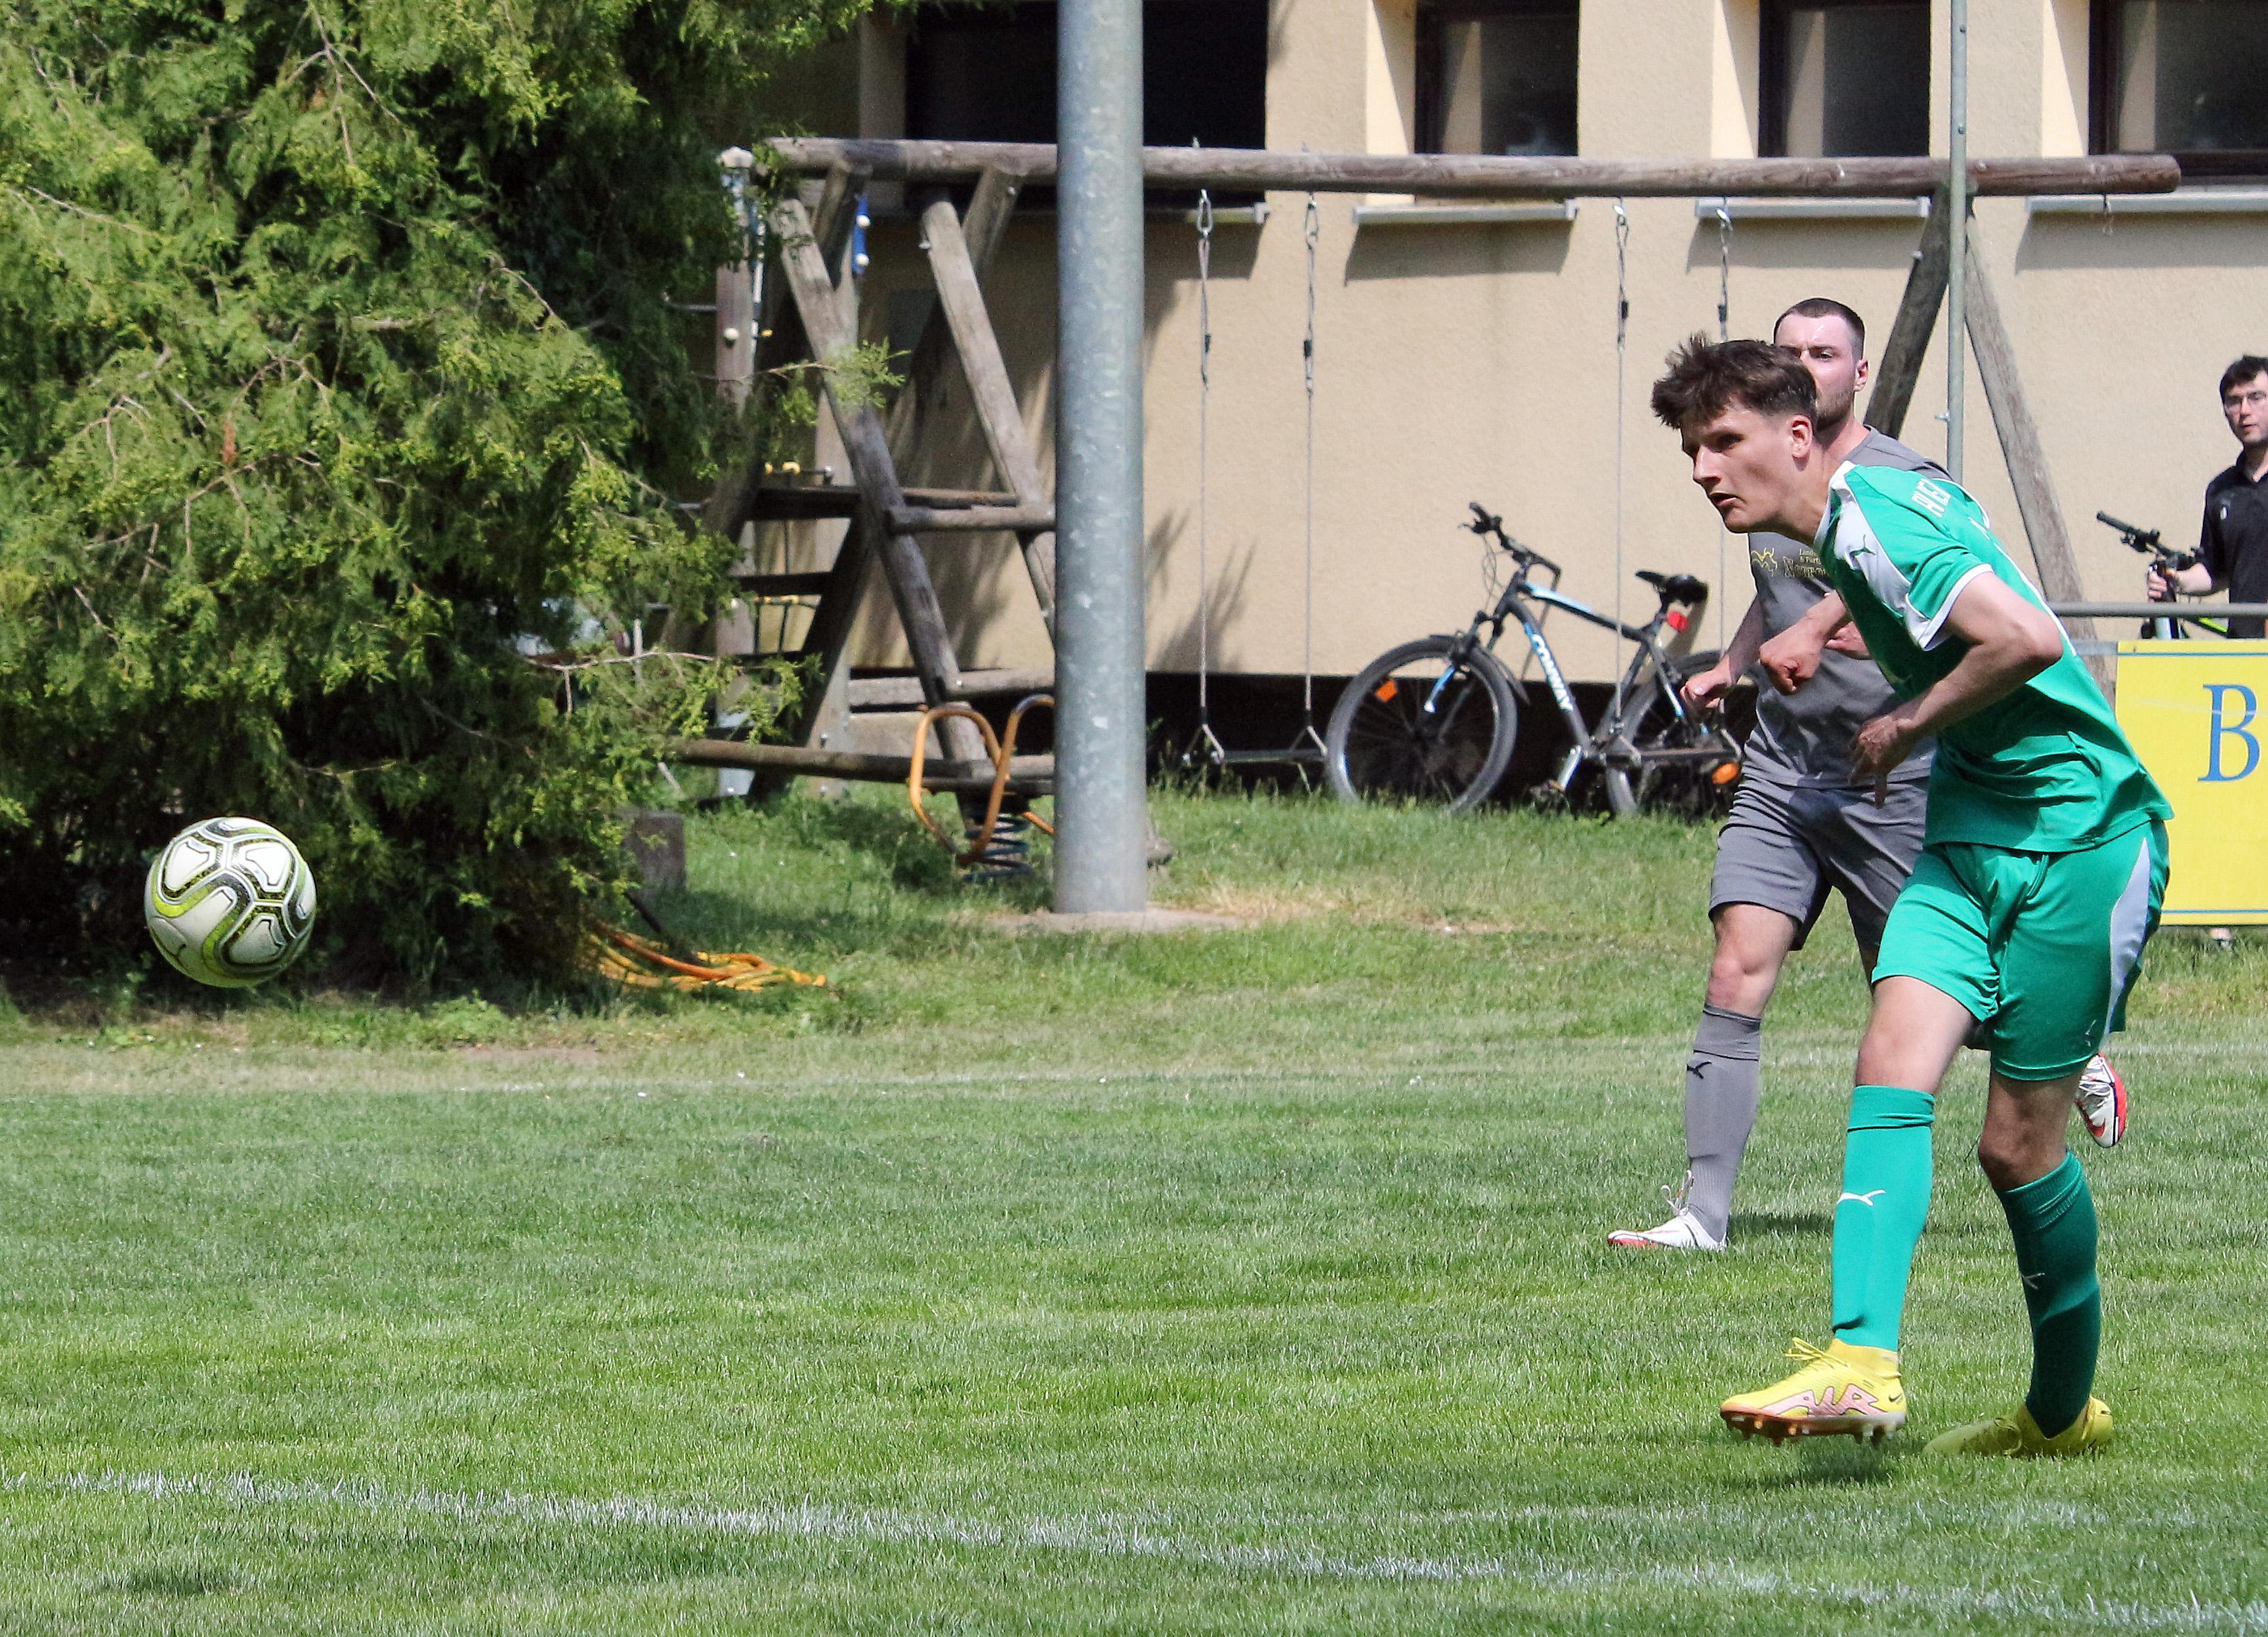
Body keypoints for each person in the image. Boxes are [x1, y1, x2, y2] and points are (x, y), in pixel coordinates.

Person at [1650, 337, 2170, 1457]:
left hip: (2083, 839)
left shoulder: (1879, 513)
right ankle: (1859, 1363)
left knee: (2016, 1149)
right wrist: (1811, 627)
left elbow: (2025, 637)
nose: (1704, 468)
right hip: (1966, 832)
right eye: (1693, 449)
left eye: (1725, 441)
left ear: (1799, 436)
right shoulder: (1852, 520)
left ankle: (2060, 1415)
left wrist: (1903, 723)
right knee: (1889, 1061)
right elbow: (1891, 570)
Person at [1608, 300, 2124, 1255]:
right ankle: (1702, 1216)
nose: (1805, 365)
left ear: (1855, 374)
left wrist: (1841, 648)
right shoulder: (1765, 485)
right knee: (1736, 966)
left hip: (1890, 774)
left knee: (1928, 1000)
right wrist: (1737, 660)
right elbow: (1779, 589)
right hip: (1785, 764)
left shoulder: (1897, 485)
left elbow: (1929, 586)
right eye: (1790, 351)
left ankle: (2066, 1046)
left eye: (1824, 353)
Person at [2147, 354, 2268, 640]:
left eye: (2256, 398)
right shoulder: (2221, 490)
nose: (2244, 411)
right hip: (2245, 648)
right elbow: (2216, 570)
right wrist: (2175, 582)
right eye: (2234, 402)